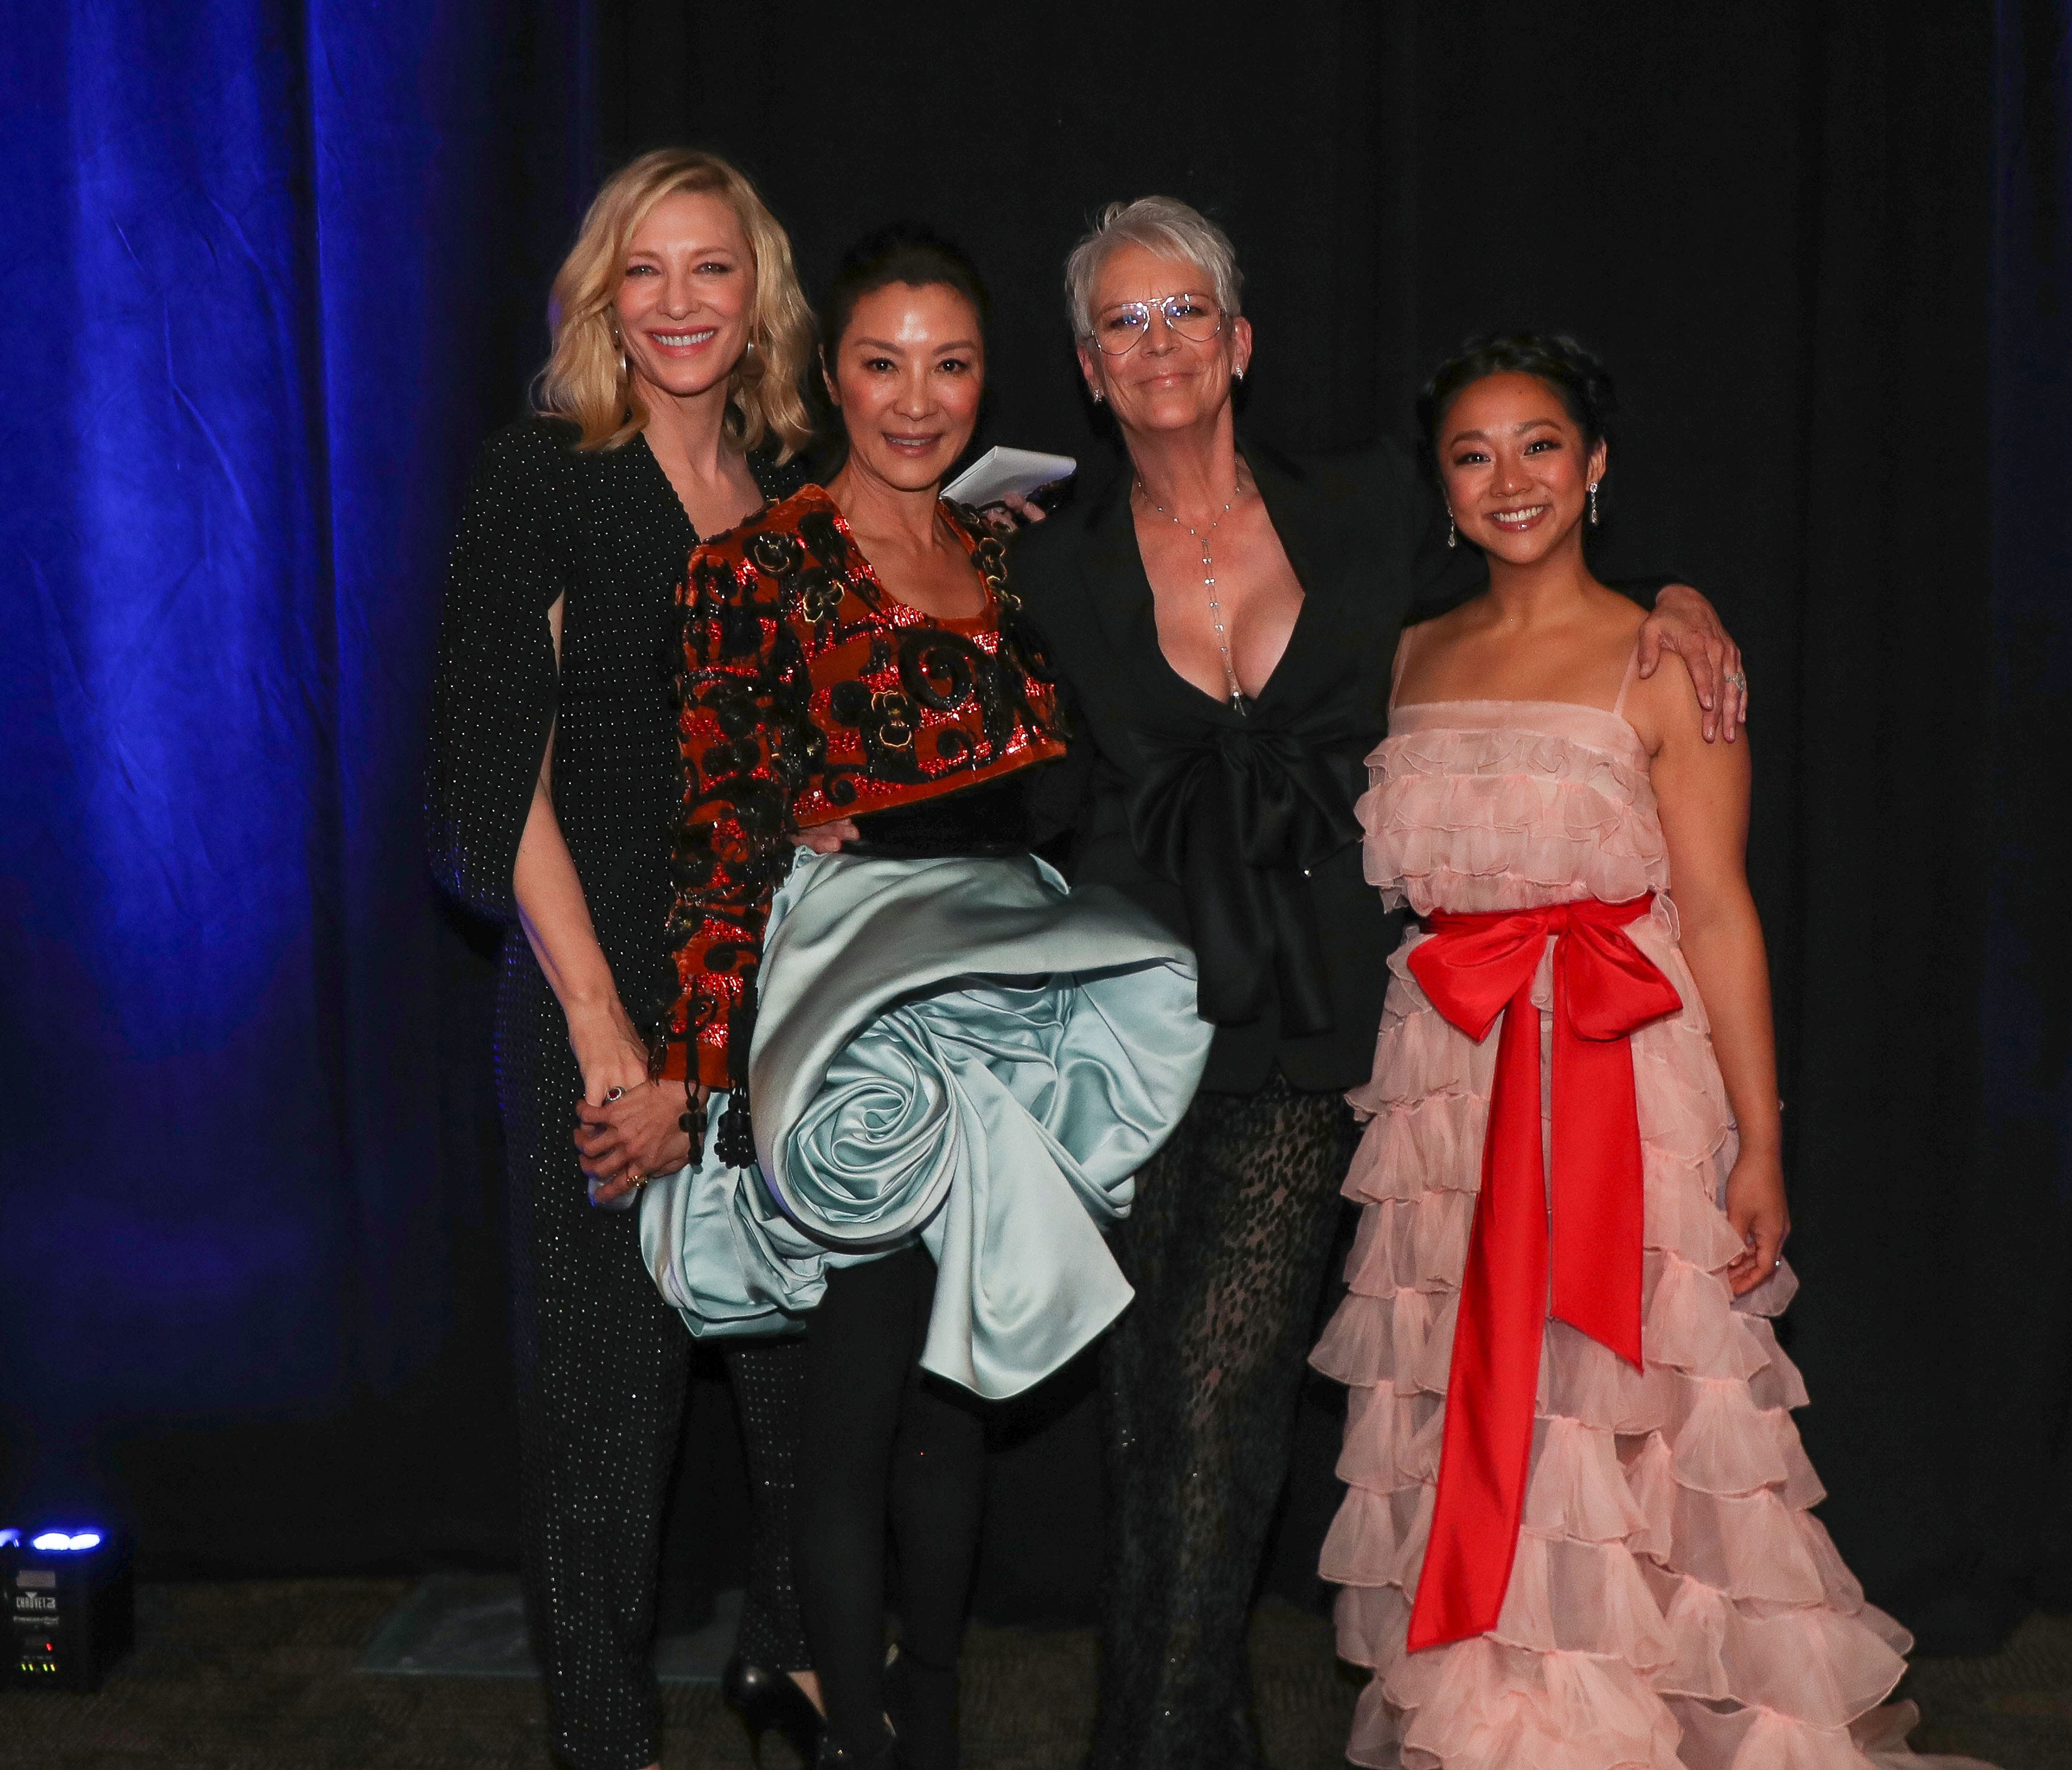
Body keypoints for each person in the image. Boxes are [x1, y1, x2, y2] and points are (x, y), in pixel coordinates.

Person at [1020, 197, 1748, 1770]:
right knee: (1149, 1423)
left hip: (1314, 1026)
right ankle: (1185, 1732)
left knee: (1218, 1407)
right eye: (1126, 324)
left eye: (1186, 313)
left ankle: (1144, 1747)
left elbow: (1530, 564)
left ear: (1240, 342)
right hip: (1131, 1035)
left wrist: (1679, 596)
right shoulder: (1054, 562)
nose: (1160, 346)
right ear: (1089, 367)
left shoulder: (1349, 508)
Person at [1311, 335, 1991, 1770]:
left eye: (1541, 444)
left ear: (1596, 467)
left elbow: (1722, 910)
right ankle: (1506, 1710)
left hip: (1622, 1071)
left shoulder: (1668, 660)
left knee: (1628, 1404)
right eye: (1474, 453)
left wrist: (1761, 1139)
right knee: (1474, 1401)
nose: (1511, 479)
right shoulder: (1401, 653)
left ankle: (1636, 1713)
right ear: (1439, 488)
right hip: (1451, 1086)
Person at [635, 224, 1212, 1770]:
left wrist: (909, 818)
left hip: (1009, 993)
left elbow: (1071, 780)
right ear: (828, 372)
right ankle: (856, 1726)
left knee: (958, 1388)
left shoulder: (1012, 549)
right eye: (881, 362)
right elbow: (717, 837)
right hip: (856, 1007)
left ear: (986, 378)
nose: (915, 397)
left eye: (948, 362)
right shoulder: (753, 567)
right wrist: (700, 1082)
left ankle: (924, 1720)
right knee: (859, 1395)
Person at [426, 148, 825, 1770]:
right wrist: (609, 1030)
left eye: (710, 268)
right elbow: (483, 768)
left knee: (805, 1396)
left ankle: (794, 1683)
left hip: (782, 1008)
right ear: (602, 296)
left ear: (759, 295)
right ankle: (606, 1738)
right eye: (643, 271)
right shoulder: (545, 477)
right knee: (612, 1418)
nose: (676, 303)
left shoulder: (790, 494)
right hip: (605, 1005)